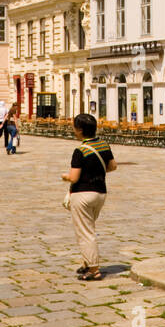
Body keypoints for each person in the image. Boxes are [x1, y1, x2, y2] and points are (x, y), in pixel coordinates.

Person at [61, 113, 116, 281]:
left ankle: (94, 270)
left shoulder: (80, 150)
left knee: (85, 232)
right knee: (89, 227)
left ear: (80, 130)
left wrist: (65, 176)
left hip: (83, 193)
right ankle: (86, 262)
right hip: (100, 193)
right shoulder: (103, 145)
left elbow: (74, 177)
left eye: (74, 128)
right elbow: (112, 166)